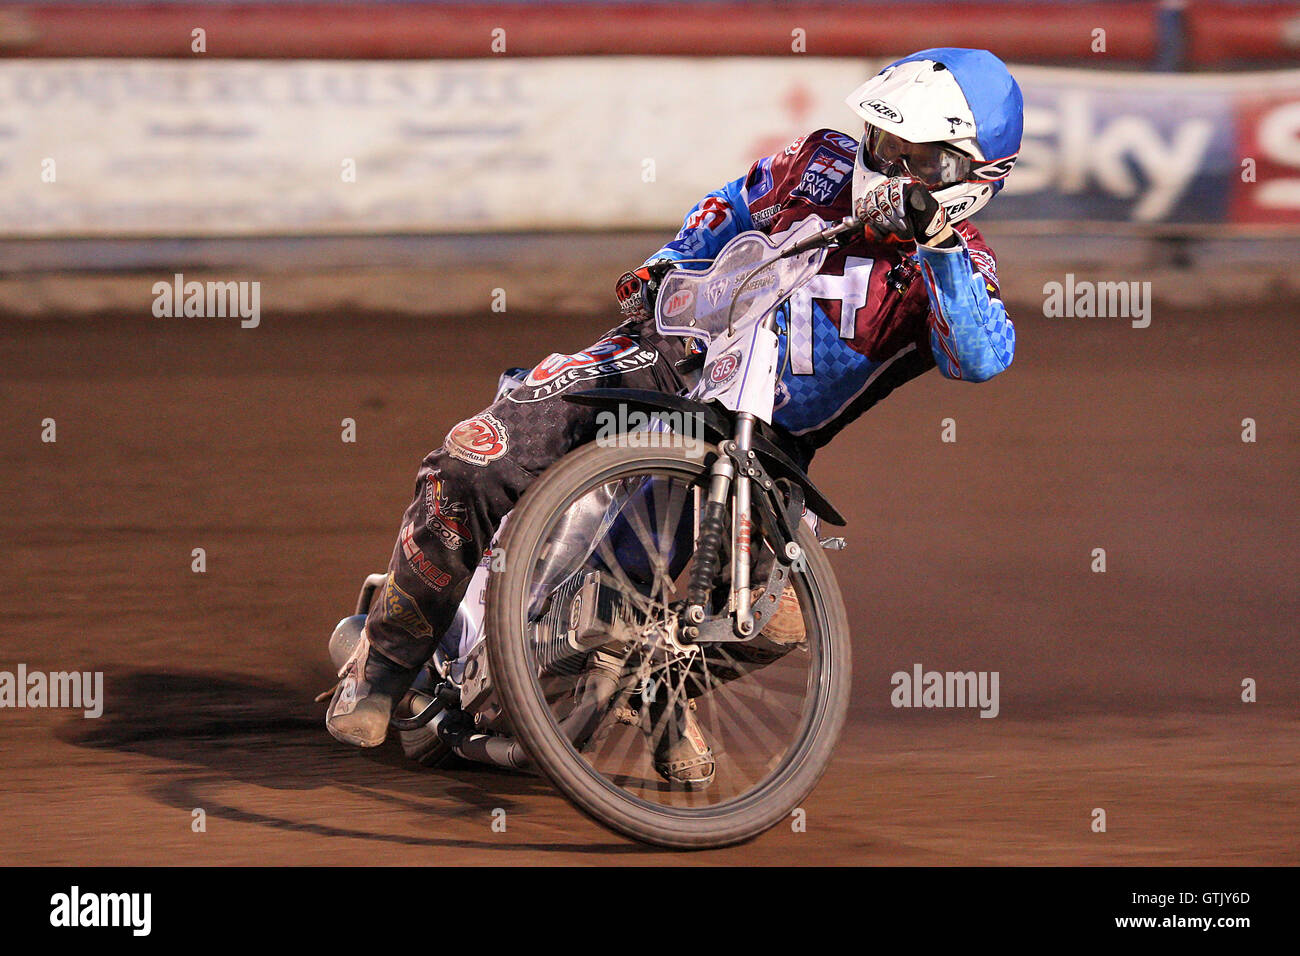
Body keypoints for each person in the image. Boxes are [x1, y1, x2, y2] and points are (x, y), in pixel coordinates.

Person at [327, 47, 1023, 786]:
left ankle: (658, 688)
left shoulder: (959, 263)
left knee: (781, 616)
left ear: (973, 179)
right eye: (887, 145)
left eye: (919, 159)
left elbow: (979, 355)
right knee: (479, 454)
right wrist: (669, 262)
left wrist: (937, 241)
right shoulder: (821, 160)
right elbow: (731, 203)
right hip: (668, 352)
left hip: (763, 446)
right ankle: (384, 661)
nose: (888, 168)